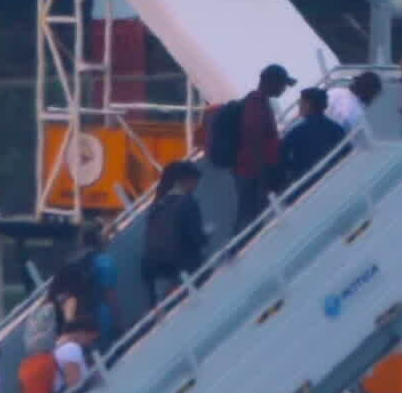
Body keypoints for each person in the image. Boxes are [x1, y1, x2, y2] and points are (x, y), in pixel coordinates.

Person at [222, 64, 292, 228]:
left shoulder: (260, 103)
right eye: (282, 84)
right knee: (249, 216)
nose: (284, 89)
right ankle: (243, 243)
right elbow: (254, 141)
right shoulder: (256, 105)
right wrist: (263, 175)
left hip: (251, 171)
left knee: (252, 214)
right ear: (271, 83)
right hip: (251, 172)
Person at [141, 159, 211, 294]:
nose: (196, 186)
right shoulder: (188, 203)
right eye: (195, 182)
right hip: (182, 267)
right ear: (188, 180)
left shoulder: (158, 205)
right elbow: (197, 238)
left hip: (155, 268)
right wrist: (206, 236)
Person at [280, 84, 348, 186]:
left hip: (307, 185)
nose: (299, 105)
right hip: (335, 179)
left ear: (308, 104)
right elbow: (347, 151)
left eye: (300, 102)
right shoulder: (336, 128)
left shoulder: (297, 132)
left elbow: (282, 157)